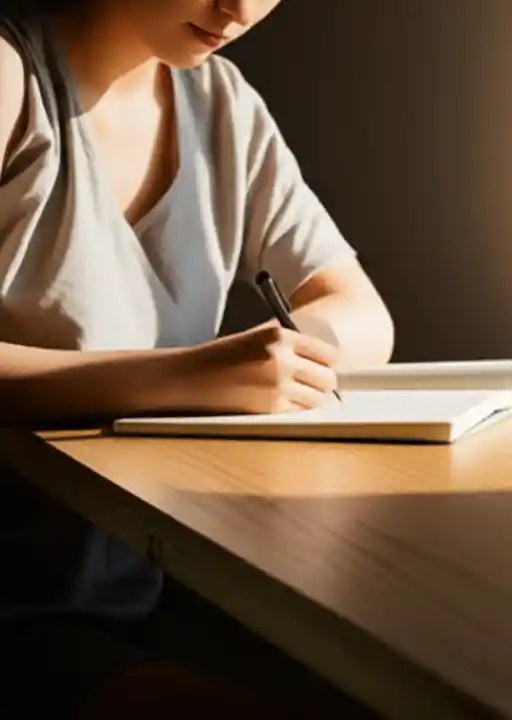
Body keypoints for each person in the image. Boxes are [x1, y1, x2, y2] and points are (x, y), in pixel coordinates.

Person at [0, 0, 394, 715]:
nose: (240, 8)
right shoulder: (10, 76)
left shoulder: (221, 104)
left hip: (147, 583)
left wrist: (298, 354)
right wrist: (186, 378)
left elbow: (361, 310)